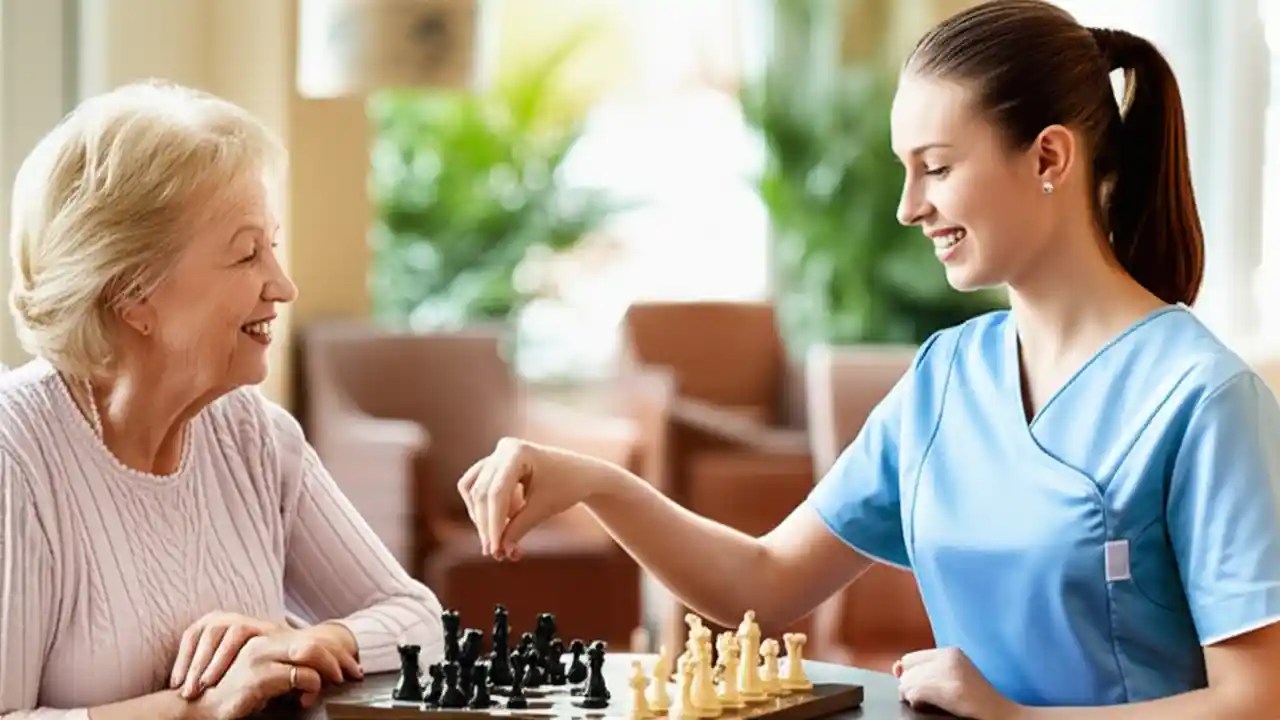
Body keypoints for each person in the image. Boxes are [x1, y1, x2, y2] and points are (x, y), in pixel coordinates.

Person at [457, 1, 1280, 718]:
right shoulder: (944, 380)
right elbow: (763, 583)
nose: (909, 206)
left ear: (1049, 159)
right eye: (906, 170)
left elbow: (1258, 699)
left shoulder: (1202, 398)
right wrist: (598, 484)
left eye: (938, 167)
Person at [0, 81, 443, 719]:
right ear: (134, 294)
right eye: (245, 255)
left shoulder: (255, 438)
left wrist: (307, 642)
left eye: (274, 246)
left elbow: (420, 623)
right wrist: (195, 710)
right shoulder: (18, 457)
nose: (283, 286)